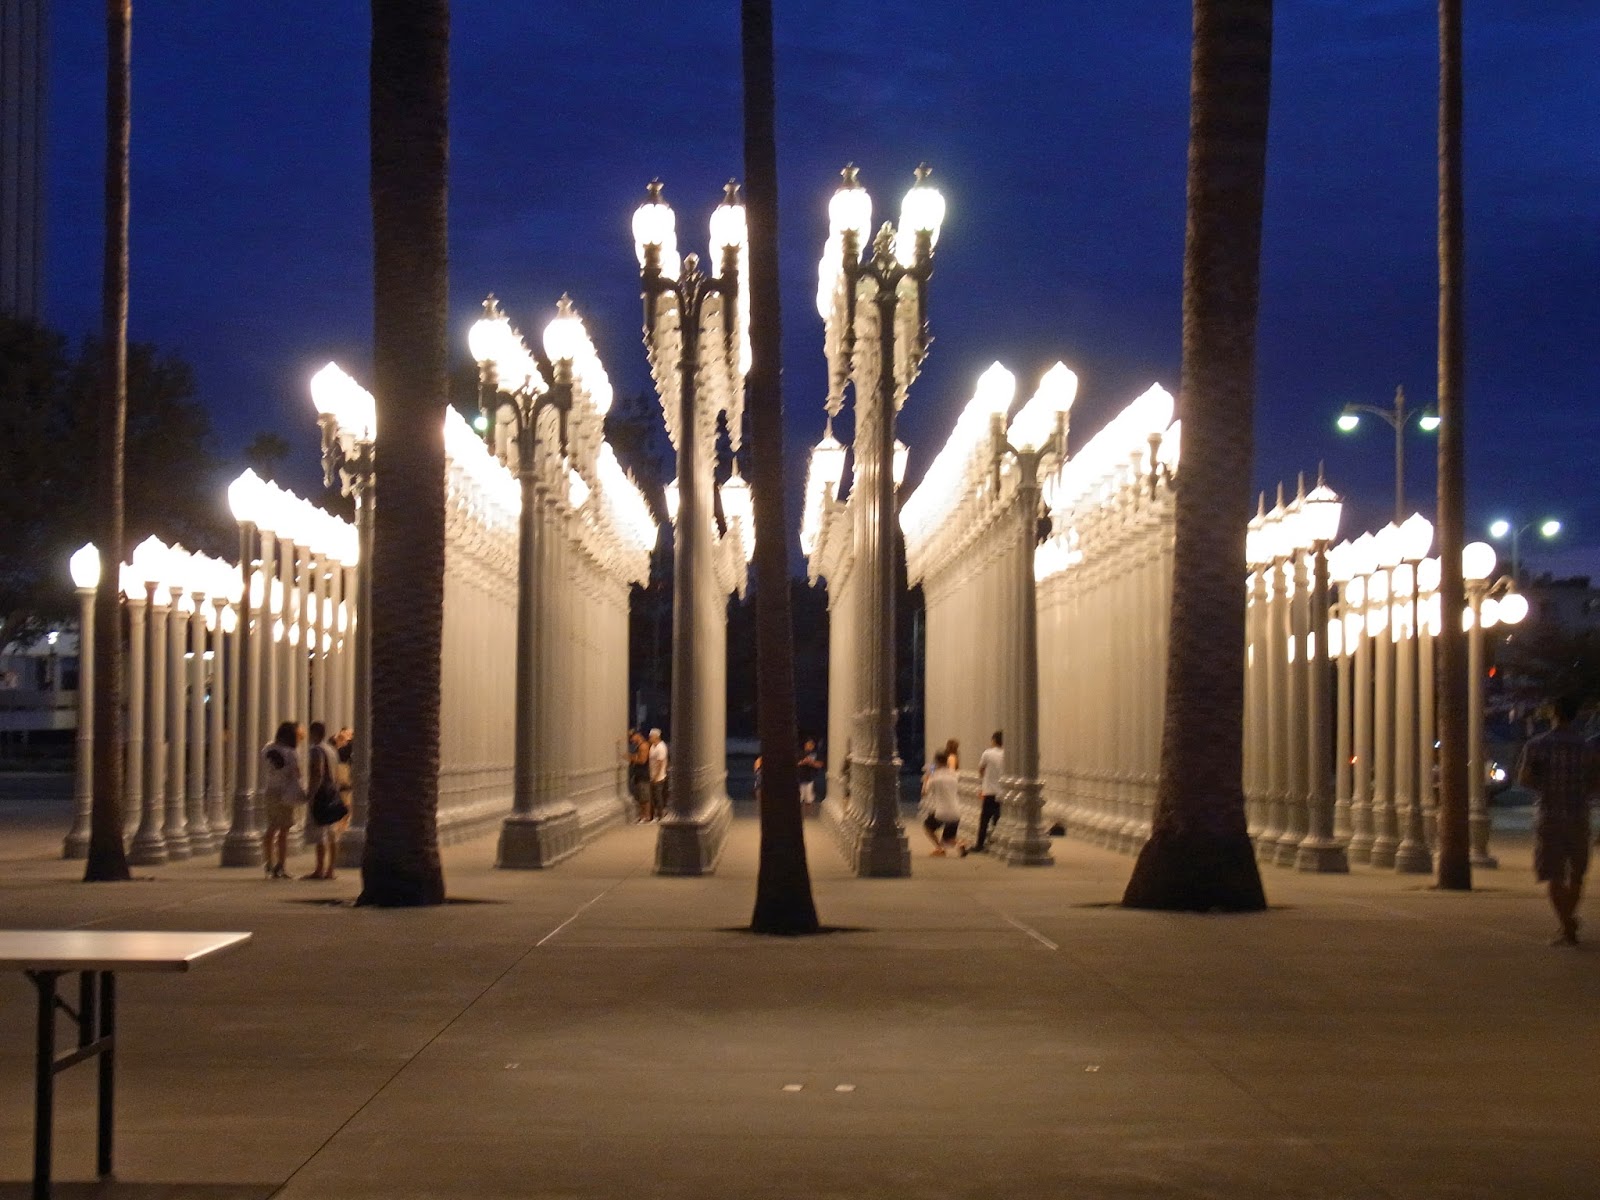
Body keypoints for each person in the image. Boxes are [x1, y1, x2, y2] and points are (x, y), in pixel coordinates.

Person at [1517, 694, 1600, 945]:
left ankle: (1567, 925)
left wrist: (1546, 787)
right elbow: (1596, 783)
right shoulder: (1587, 748)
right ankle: (1568, 923)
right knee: (1576, 874)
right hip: (1578, 816)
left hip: (1549, 816)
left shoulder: (1536, 745)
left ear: (1554, 713)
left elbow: (1524, 779)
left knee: (1554, 874)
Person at [260, 720, 304, 880]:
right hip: (285, 793)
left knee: (271, 827)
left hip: (270, 790)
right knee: (284, 831)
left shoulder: (268, 748)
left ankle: (268, 862)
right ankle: (281, 865)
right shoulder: (291, 752)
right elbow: (297, 773)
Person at [302, 721, 343, 880]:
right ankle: (330, 869)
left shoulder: (316, 750)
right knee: (332, 833)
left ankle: (319, 869)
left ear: (314, 733)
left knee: (320, 834)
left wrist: (311, 794)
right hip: (332, 792)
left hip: (321, 795)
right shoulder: (331, 750)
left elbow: (317, 772)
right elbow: (336, 773)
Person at [919, 749, 967, 857]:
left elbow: (924, 793)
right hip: (956, 812)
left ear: (936, 762)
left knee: (927, 826)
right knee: (948, 839)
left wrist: (927, 777)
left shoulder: (935, 777)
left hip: (941, 812)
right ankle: (960, 843)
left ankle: (939, 848)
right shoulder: (954, 774)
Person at [974, 730, 1004, 853]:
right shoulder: (1007, 754)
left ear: (994, 740)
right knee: (998, 819)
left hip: (989, 791)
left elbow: (981, 769)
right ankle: (996, 842)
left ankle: (980, 844)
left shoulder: (987, 753)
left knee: (984, 820)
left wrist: (983, 780)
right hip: (1002, 792)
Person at [625, 729, 651, 821]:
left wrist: (631, 758)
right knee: (640, 796)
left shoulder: (643, 746)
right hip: (638, 775)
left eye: (632, 737)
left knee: (644, 797)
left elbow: (642, 760)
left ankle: (646, 816)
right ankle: (642, 815)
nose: (631, 740)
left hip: (643, 774)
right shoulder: (638, 746)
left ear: (637, 735)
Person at [647, 728, 669, 821]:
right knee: (653, 796)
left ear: (656, 737)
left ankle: (660, 815)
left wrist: (656, 776)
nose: (649, 738)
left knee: (658, 796)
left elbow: (661, 762)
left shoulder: (661, 747)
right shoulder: (652, 746)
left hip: (659, 776)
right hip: (652, 775)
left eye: (651, 736)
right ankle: (653, 815)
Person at [798, 739, 823, 807]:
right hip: (800, 780)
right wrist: (803, 762)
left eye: (811, 745)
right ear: (805, 745)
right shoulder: (799, 753)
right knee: (799, 799)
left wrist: (811, 762)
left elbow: (820, 765)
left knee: (809, 800)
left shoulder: (816, 754)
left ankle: (808, 812)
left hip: (810, 780)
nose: (809, 746)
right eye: (808, 745)